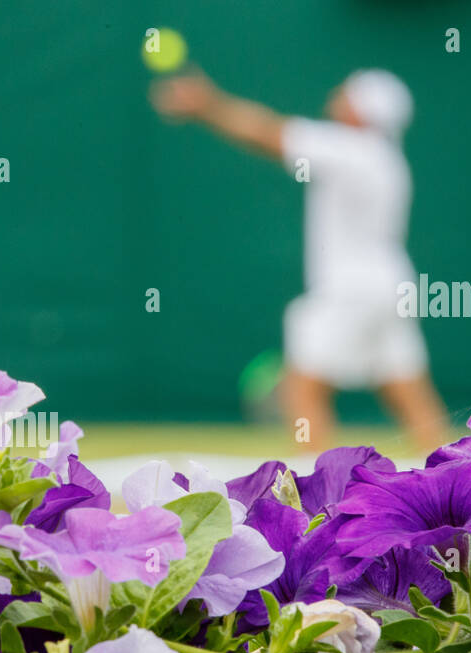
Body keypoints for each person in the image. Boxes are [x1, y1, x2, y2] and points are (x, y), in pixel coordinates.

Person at [151, 68, 448, 452]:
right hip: (390, 286)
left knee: (302, 386)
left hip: (350, 290)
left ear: (363, 112)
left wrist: (207, 104)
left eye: (348, 95)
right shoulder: (386, 158)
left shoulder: (351, 149)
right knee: (408, 388)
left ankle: (314, 486)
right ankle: (454, 481)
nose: (336, 96)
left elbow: (268, 133)